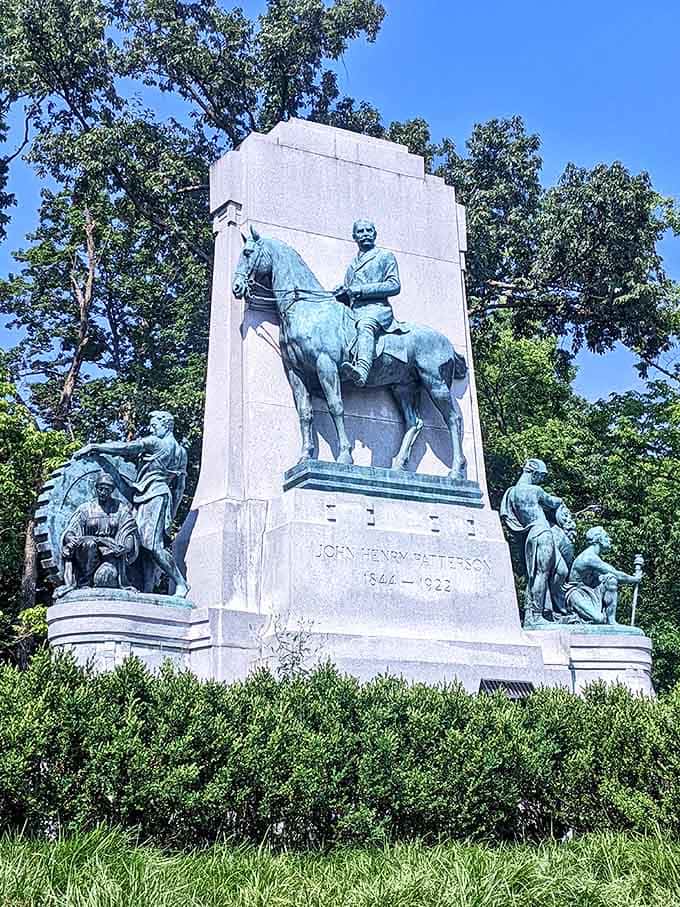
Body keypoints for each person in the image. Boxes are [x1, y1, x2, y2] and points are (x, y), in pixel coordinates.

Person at [73, 411, 190, 597]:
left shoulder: (157, 443)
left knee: (153, 546)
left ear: (166, 425)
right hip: (155, 496)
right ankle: (148, 589)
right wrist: (173, 509)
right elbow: (179, 487)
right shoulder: (182, 453)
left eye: (155, 425)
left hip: (154, 495)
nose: (152, 428)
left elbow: (126, 447)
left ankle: (181, 583)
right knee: (142, 544)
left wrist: (96, 446)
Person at [500, 458, 572, 626]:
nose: (541, 479)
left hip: (534, 534)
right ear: (533, 472)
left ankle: (553, 609)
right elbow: (553, 502)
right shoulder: (535, 490)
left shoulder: (511, 493)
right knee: (541, 574)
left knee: (561, 570)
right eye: (541, 475)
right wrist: (560, 502)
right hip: (542, 533)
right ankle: (536, 615)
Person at [333, 219, 403, 387]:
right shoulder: (352, 266)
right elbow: (350, 295)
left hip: (376, 309)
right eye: (360, 231)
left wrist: (360, 289)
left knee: (365, 325)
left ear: (375, 234)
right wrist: (342, 293)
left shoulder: (384, 256)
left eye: (368, 230)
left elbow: (394, 285)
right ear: (354, 237)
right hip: (354, 311)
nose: (365, 234)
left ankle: (362, 371)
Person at [56, 470, 138, 596]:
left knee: (105, 578)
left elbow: (129, 529)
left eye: (107, 490)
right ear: (96, 489)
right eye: (100, 489)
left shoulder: (120, 508)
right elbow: (71, 530)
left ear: (112, 491)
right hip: (87, 553)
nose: (103, 492)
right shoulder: (86, 508)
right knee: (89, 543)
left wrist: (125, 547)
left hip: (111, 553)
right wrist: (70, 538)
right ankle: (85, 581)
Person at [564, 526, 641, 625]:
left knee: (611, 579)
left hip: (592, 590)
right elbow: (618, 574)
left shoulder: (595, 556)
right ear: (599, 539)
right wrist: (635, 579)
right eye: (606, 536)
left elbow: (611, 575)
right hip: (577, 594)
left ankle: (611, 620)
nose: (610, 539)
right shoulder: (588, 557)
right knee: (598, 619)